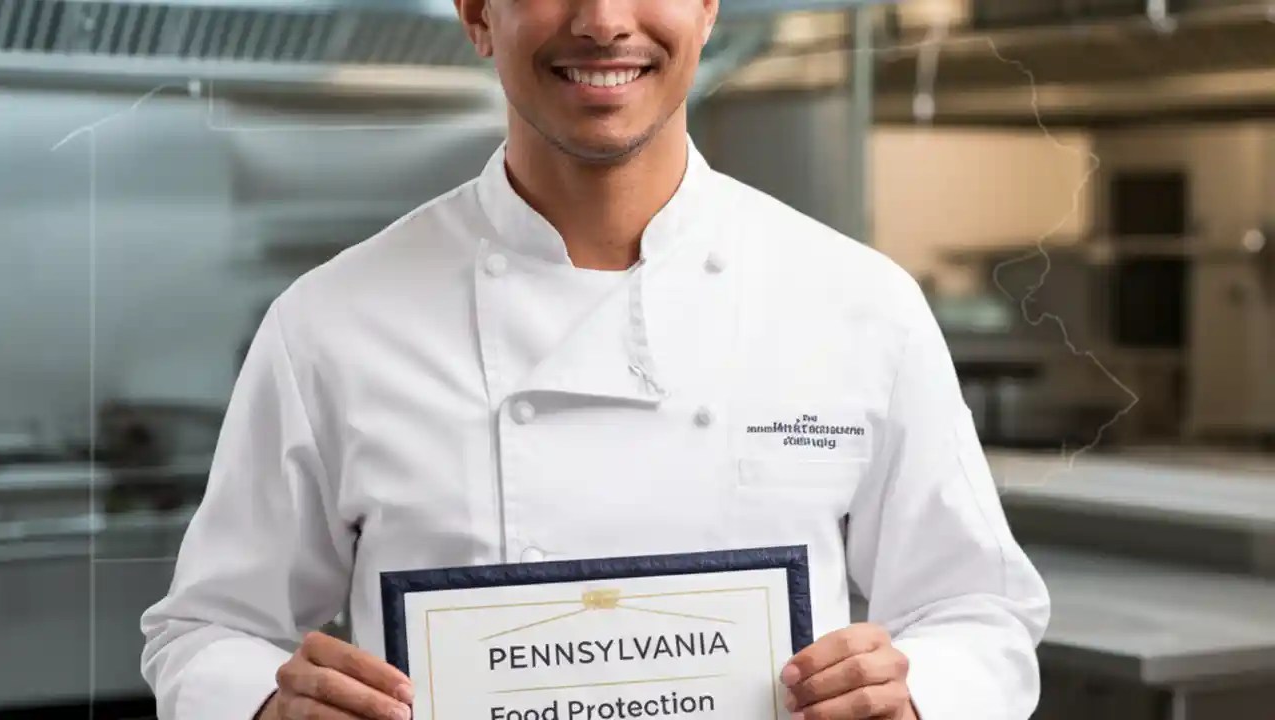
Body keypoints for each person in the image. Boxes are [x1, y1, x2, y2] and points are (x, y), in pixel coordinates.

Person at [140, 1, 1050, 719]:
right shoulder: (328, 324)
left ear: (707, 5)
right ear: (475, 13)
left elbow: (982, 614)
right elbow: (207, 629)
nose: (603, 20)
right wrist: (265, 703)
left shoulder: (861, 304)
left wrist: (917, 690)